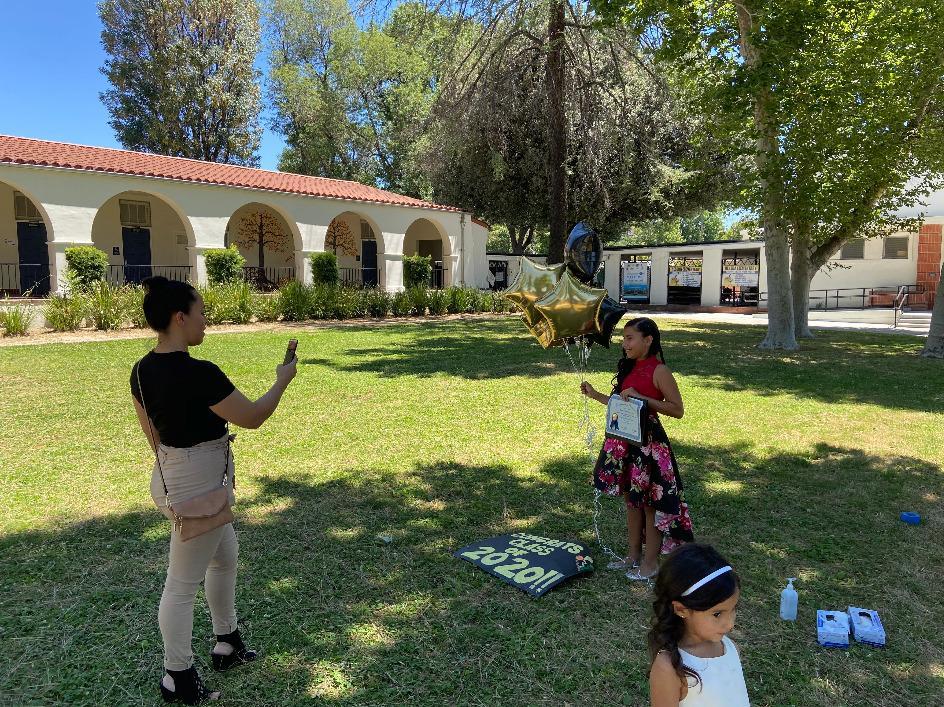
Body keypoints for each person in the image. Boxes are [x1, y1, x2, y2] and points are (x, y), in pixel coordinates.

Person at [130, 276, 297, 704]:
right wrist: (283, 379)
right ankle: (178, 676)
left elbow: (151, 433)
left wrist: (181, 465)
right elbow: (254, 416)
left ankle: (227, 641)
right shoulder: (200, 373)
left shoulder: (141, 371)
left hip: (176, 472)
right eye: (201, 313)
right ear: (179, 317)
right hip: (200, 480)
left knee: (224, 558)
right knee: (182, 583)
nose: (206, 320)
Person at [580, 317, 693, 581]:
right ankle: (632, 555)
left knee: (651, 504)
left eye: (630, 338)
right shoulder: (630, 367)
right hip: (626, 442)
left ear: (648, 340)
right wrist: (595, 394)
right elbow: (621, 404)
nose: (624, 343)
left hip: (650, 446)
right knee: (632, 501)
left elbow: (677, 409)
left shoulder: (659, 370)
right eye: (623, 338)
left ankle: (650, 562)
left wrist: (645, 399)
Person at [648, 544, 749, 707]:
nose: (730, 624)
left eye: (733, 609)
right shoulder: (669, 668)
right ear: (681, 609)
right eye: (717, 614)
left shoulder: (731, 648)